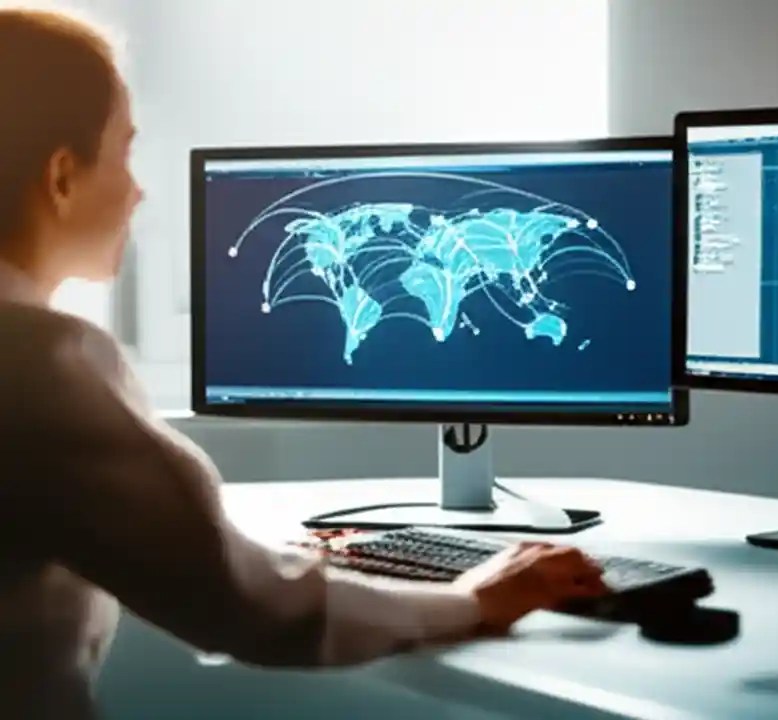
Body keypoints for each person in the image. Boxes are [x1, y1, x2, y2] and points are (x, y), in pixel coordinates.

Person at [0, 8, 607, 716]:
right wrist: (473, 598)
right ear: (63, 175)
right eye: (125, 152)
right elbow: (243, 602)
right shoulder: (41, 365)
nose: (140, 191)